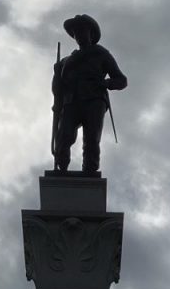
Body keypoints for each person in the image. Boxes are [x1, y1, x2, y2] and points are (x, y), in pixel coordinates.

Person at [52, 14, 127, 175]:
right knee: (63, 136)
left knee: (92, 139)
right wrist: (57, 73)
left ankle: (89, 171)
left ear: (90, 33)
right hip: (71, 101)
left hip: (94, 100)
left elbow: (121, 80)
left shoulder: (101, 54)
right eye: (75, 32)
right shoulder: (66, 62)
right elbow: (58, 89)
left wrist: (105, 83)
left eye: (81, 31)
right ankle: (61, 168)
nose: (78, 35)